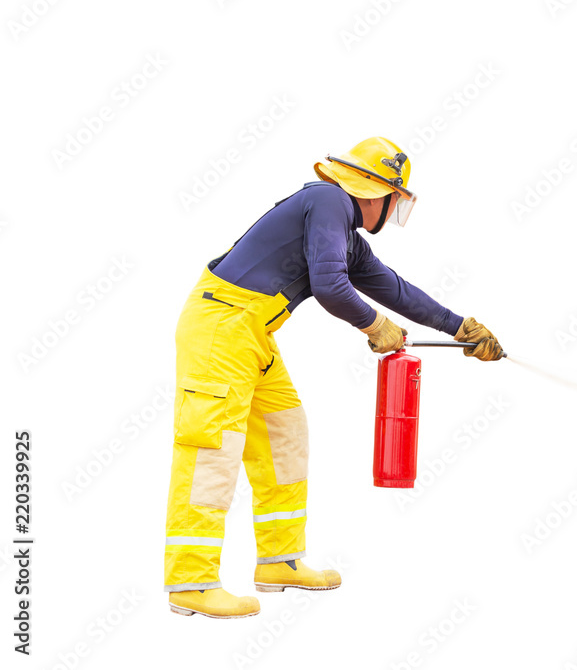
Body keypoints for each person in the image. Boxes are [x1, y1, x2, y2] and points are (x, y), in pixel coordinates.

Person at [163, 137, 503, 618]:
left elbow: (394, 288)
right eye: (394, 199)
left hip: (249, 333)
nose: (393, 210)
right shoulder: (328, 201)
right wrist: (374, 324)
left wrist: (459, 326)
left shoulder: (342, 232)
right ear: (375, 191)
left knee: (285, 434)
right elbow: (329, 286)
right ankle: (190, 583)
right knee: (212, 449)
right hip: (221, 326)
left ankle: (279, 561)